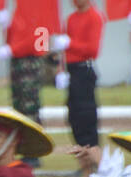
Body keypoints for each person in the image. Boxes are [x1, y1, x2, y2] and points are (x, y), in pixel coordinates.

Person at [2, 0, 58, 137]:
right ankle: (24, 143)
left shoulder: (37, 6)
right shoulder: (20, 7)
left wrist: (13, 49)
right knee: (18, 104)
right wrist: (6, 26)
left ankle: (34, 147)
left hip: (30, 61)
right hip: (18, 61)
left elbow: (38, 39)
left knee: (29, 105)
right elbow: (12, 37)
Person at [57, 0, 102, 149]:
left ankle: (91, 152)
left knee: (85, 116)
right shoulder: (71, 19)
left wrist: (70, 44)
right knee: (74, 116)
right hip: (72, 71)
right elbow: (64, 50)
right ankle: (82, 153)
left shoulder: (94, 17)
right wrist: (60, 70)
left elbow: (92, 50)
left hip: (84, 70)